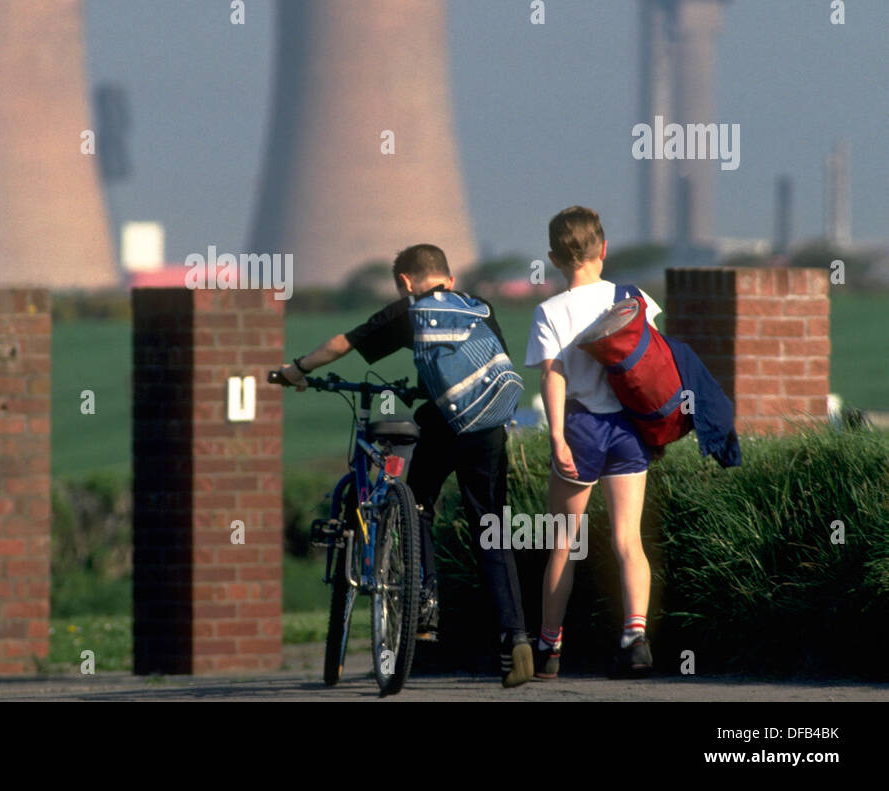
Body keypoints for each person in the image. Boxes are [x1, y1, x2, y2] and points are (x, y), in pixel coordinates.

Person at [272, 244, 535, 688]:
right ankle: (517, 638)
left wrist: (296, 370)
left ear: (406, 282)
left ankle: (424, 601)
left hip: (442, 425)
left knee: (417, 508)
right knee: (491, 529)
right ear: (449, 280)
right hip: (489, 428)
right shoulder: (478, 306)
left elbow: (345, 343)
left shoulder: (410, 310)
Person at [524, 206, 660, 679]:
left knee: (563, 543)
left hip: (580, 428)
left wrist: (557, 437)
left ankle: (549, 648)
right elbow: (653, 360)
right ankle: (635, 639)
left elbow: (553, 375)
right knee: (629, 539)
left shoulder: (549, 312)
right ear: (604, 249)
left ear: (554, 258)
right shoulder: (633, 298)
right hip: (627, 428)